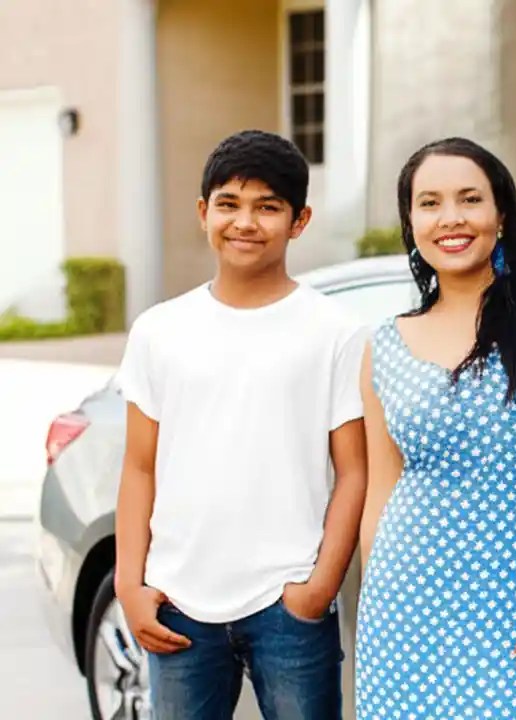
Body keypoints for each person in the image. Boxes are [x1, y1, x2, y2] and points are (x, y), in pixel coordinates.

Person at [354, 137, 516, 719]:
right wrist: (378, 599)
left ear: (500, 214)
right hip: (404, 611)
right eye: (430, 203)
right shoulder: (385, 345)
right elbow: (381, 491)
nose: (451, 218)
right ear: (411, 221)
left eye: (470, 199)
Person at [114, 130, 368, 719]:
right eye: (229, 204)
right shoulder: (159, 330)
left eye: (268, 207)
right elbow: (139, 466)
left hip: (289, 604)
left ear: (299, 221)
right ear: (204, 213)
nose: (245, 222)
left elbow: (353, 472)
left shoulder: (335, 330)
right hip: (178, 602)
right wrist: (132, 583)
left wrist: (318, 588)